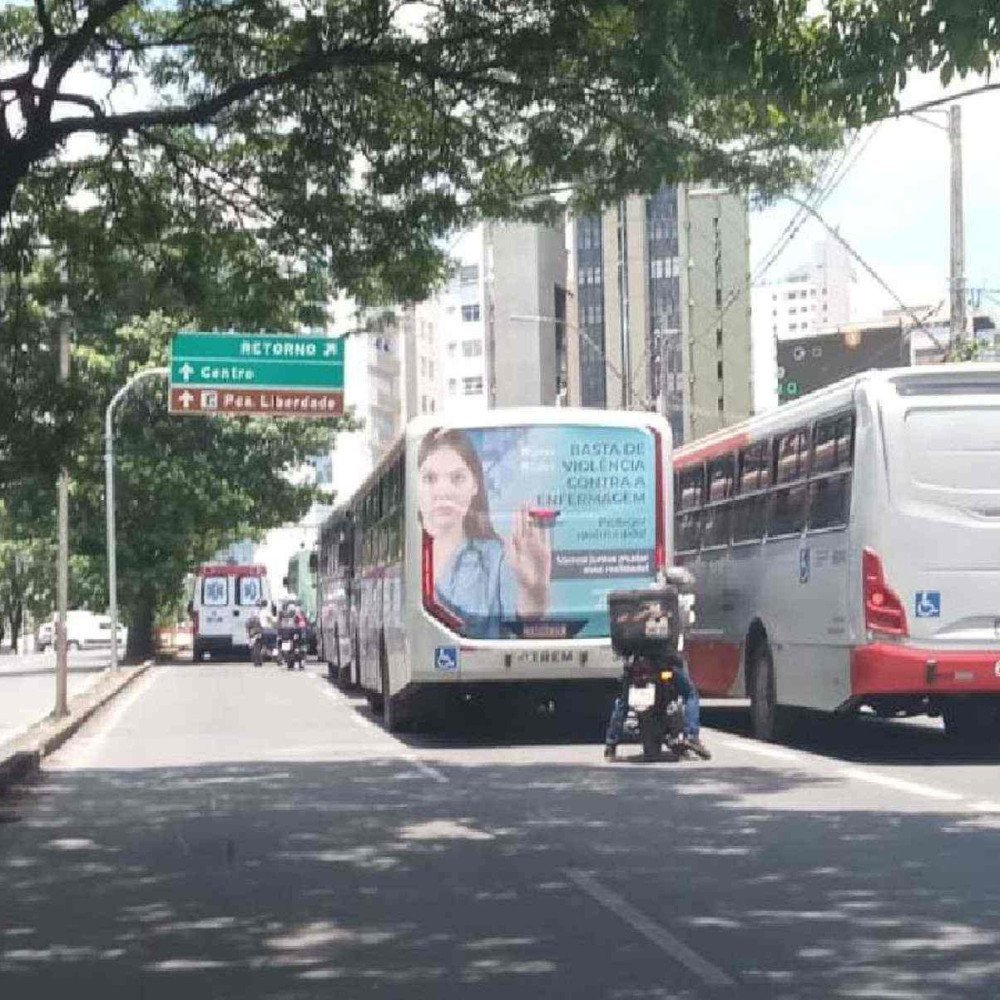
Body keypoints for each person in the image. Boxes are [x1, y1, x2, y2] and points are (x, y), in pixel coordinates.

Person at [417, 428, 552, 639]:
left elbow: (520, 630)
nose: (443, 490)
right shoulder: (409, 560)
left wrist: (534, 591)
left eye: (457, 478)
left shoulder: (497, 557)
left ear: (475, 485)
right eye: (430, 478)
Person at [603, 655, 711, 760]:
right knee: (690, 693)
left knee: (623, 702)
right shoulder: (665, 640)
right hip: (663, 664)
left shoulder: (631, 640)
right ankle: (692, 736)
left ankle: (611, 743)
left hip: (638, 666)